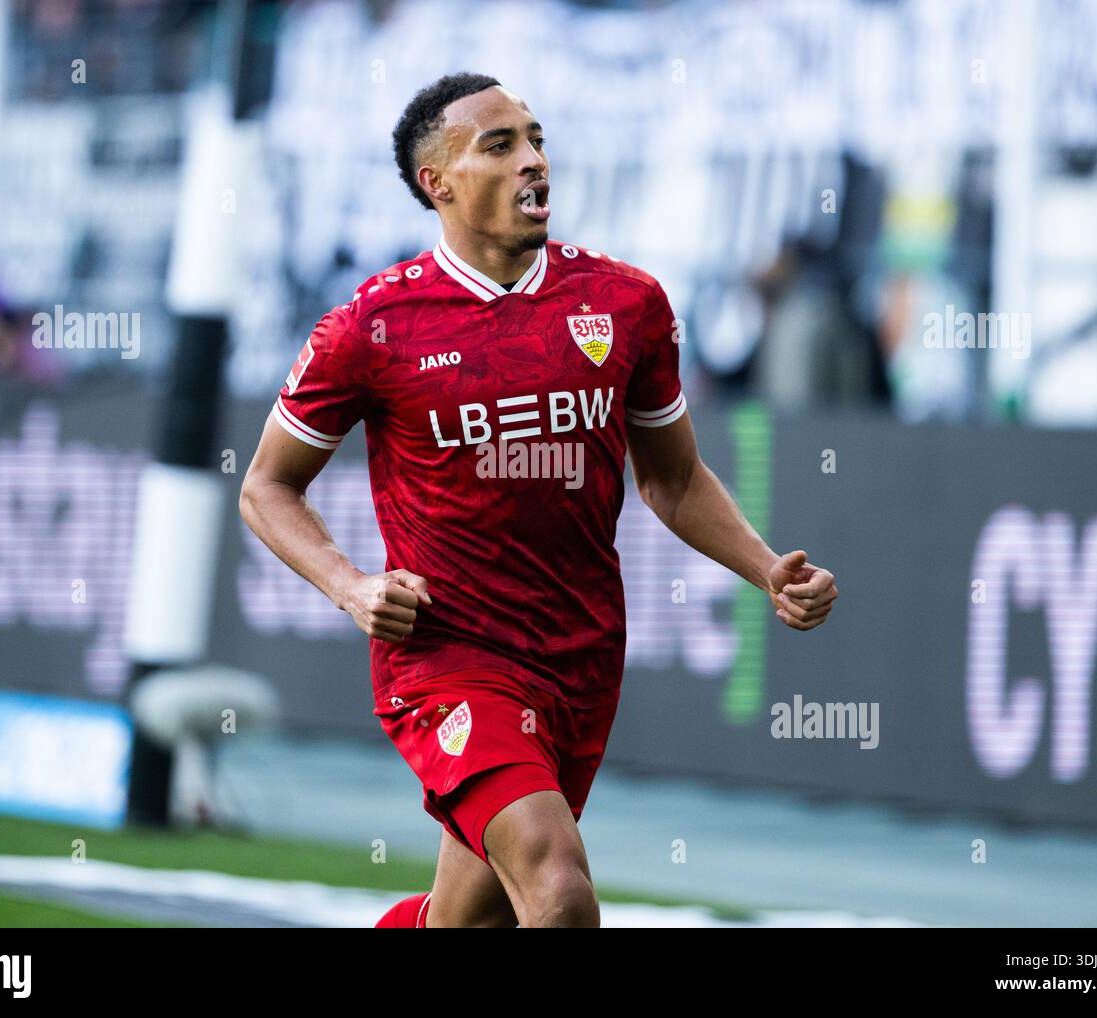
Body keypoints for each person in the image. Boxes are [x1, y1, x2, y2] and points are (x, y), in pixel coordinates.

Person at [239, 73, 838, 928]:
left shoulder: (626, 305)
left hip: (580, 659)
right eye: (500, 145)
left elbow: (669, 479)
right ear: (435, 184)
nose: (534, 161)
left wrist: (765, 570)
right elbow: (266, 486)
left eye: (536, 139)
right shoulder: (372, 328)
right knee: (558, 892)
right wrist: (351, 584)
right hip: (448, 657)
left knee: (469, 920)